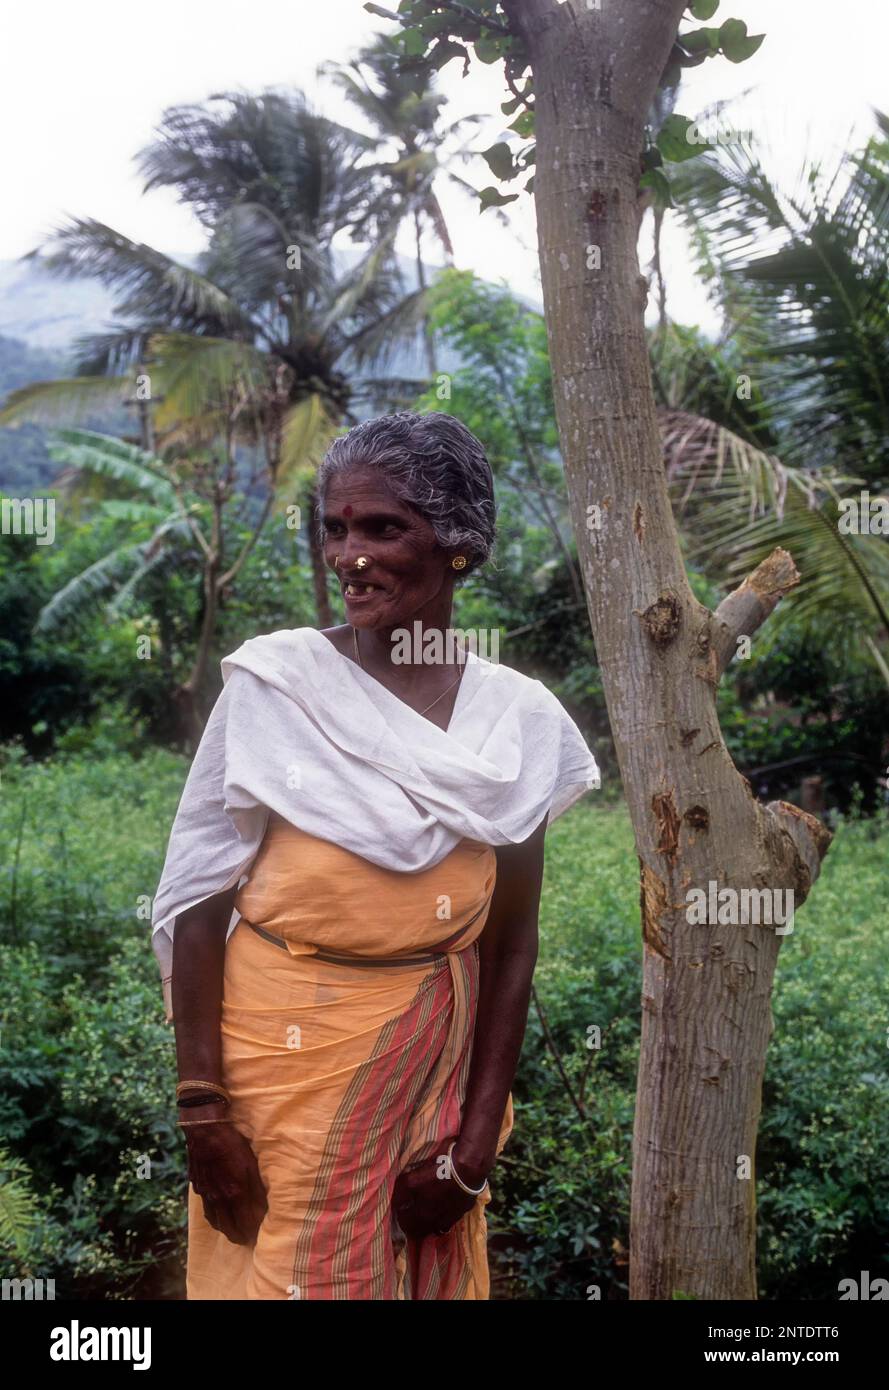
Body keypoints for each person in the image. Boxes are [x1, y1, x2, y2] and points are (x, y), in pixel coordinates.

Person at [151, 411, 600, 1300]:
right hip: (272, 1075)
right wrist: (202, 1112)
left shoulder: (516, 723)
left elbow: (510, 944)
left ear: (458, 544)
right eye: (335, 527)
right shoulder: (276, 689)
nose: (349, 553)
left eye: (384, 527)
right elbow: (198, 902)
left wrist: (472, 1152)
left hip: (430, 1084)